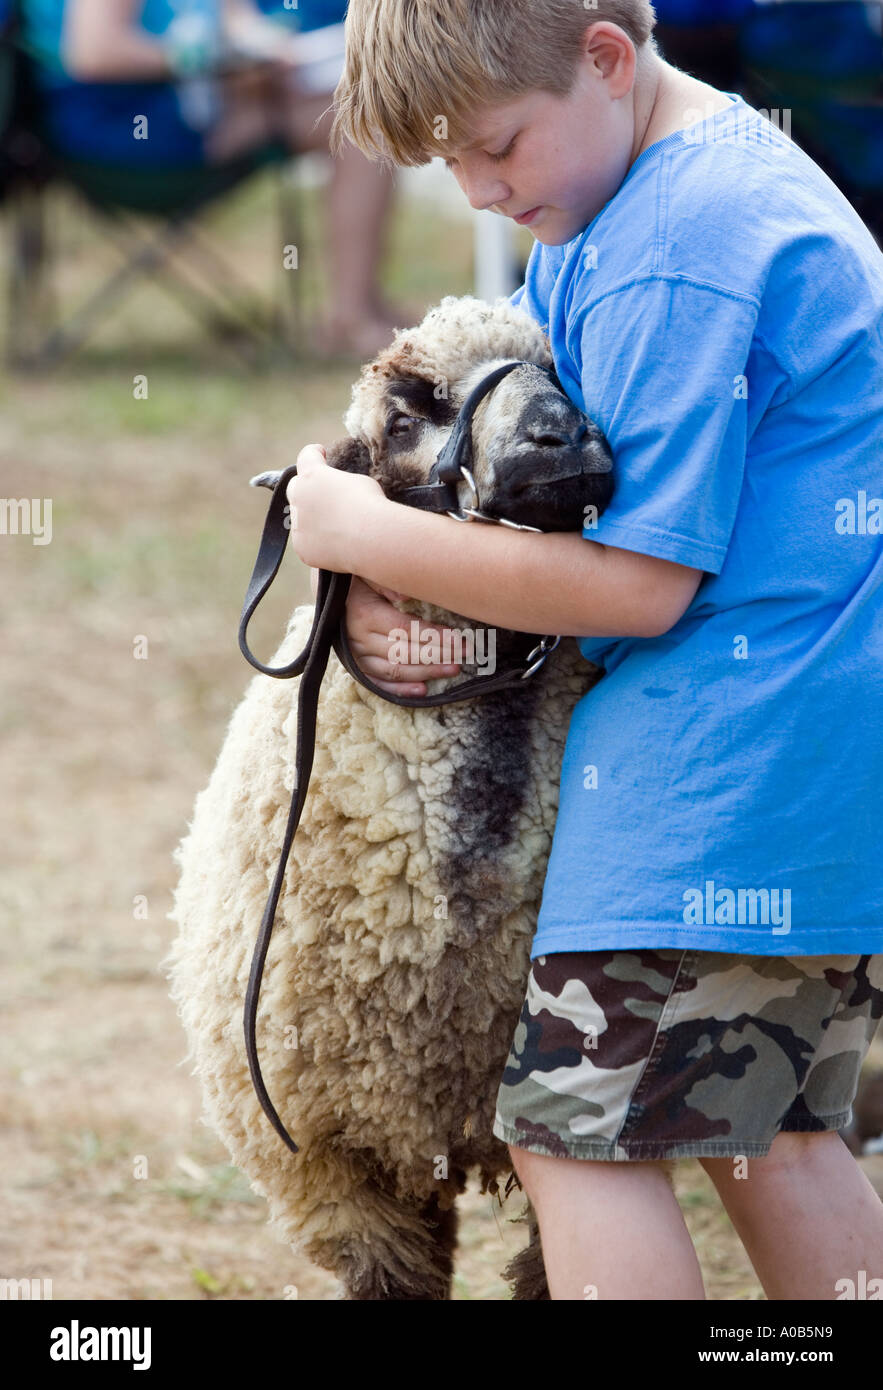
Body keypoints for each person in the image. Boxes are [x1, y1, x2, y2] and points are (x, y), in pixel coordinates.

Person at [284, 0, 883, 1299]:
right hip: (800, 741)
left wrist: (362, 535)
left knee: (571, 1143)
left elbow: (636, 584)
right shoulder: (652, 192)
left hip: (720, 758)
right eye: (450, 165)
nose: (481, 189)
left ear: (605, 60)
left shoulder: (677, 244)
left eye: (497, 145)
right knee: (766, 1131)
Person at [16, 0, 411, 356]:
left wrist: (260, 45)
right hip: (123, 130)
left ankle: (360, 307)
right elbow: (94, 52)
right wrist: (208, 57)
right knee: (361, 124)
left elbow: (234, 15)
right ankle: (352, 313)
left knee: (363, 107)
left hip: (191, 101)